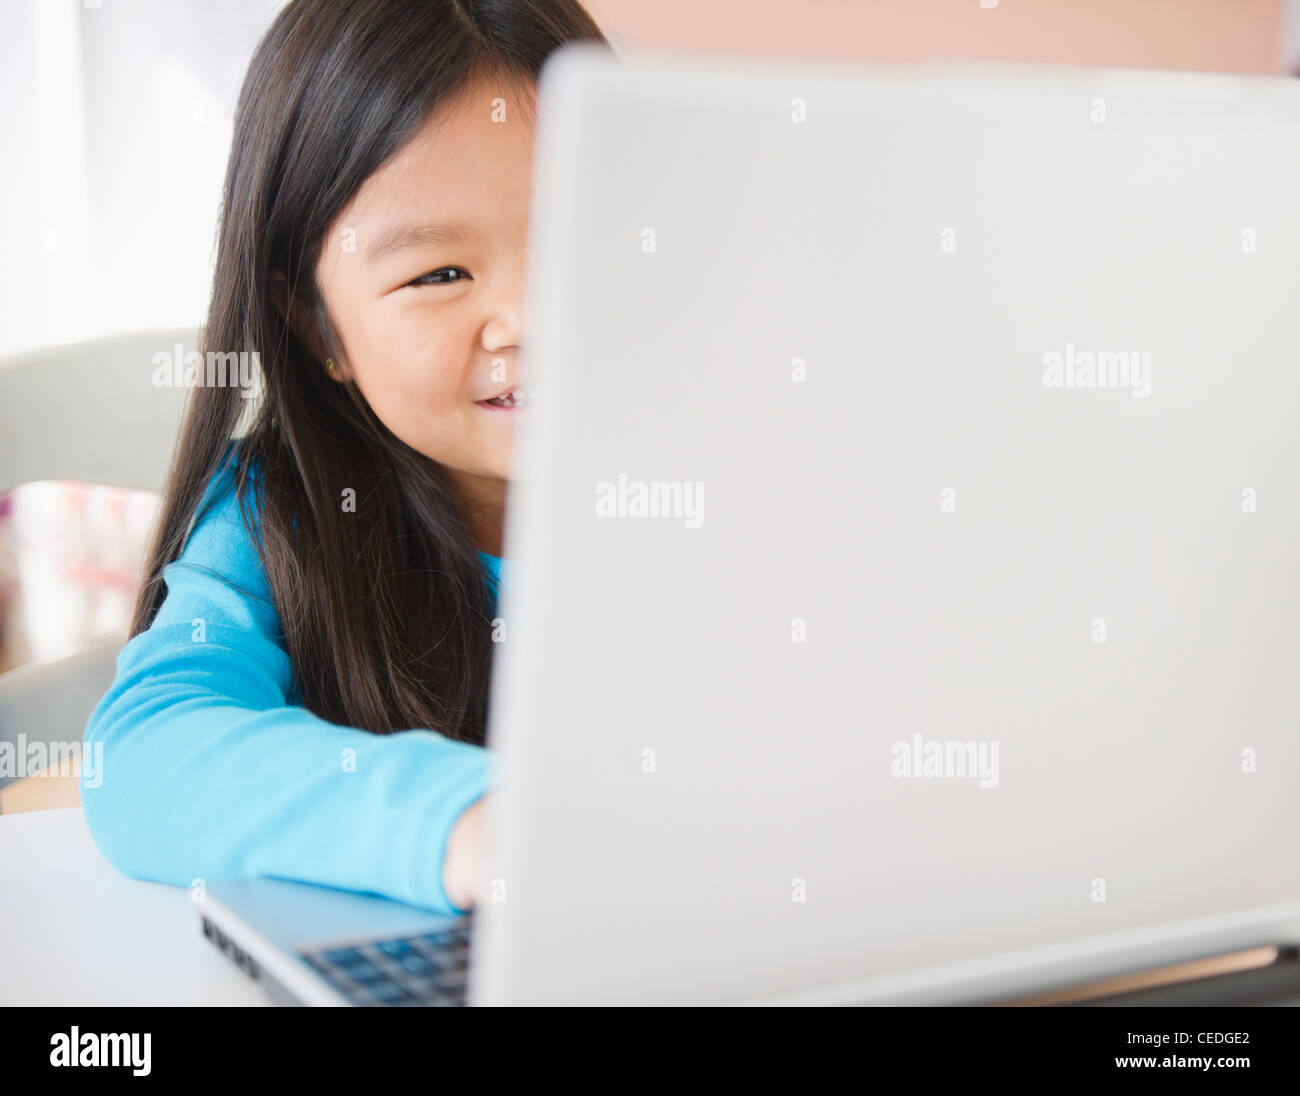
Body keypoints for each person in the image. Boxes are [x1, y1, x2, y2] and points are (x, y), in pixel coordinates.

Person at [81, 0, 609, 915]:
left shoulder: (717, 492)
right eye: (439, 274)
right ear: (316, 319)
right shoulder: (275, 513)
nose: (534, 320)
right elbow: (146, 755)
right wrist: (465, 822)